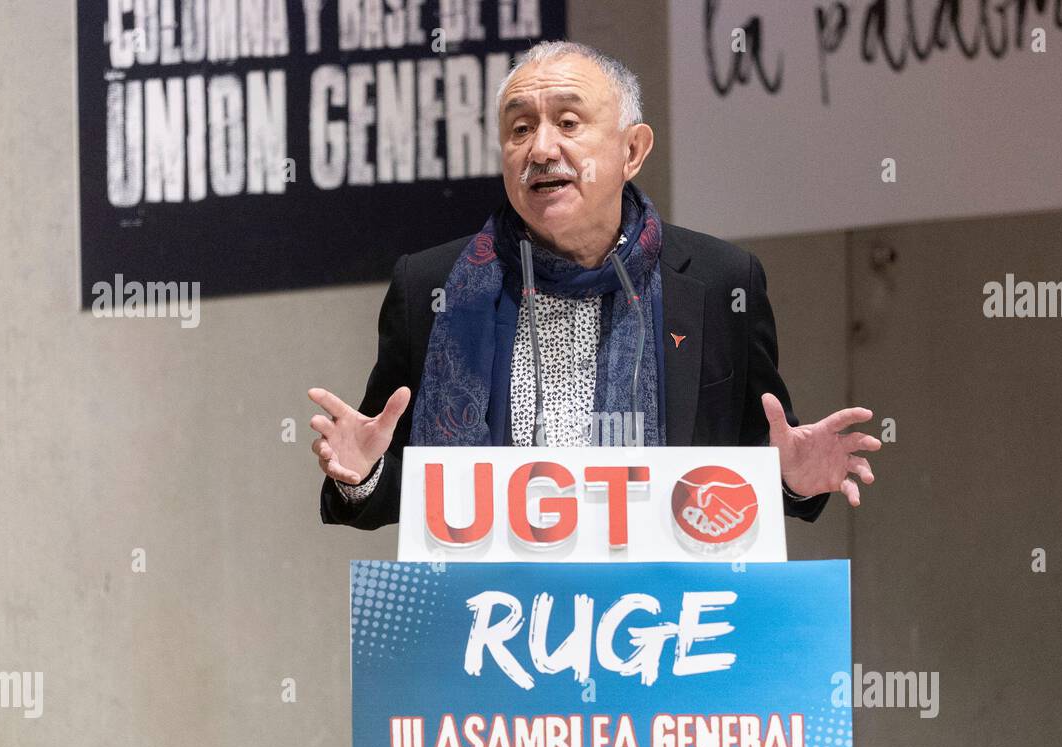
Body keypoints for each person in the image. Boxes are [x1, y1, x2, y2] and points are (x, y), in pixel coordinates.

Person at [309, 41, 878, 531]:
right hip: (488, 617)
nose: (540, 149)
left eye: (569, 123)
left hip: (660, 619)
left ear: (632, 150)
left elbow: (751, 472)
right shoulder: (431, 288)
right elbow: (395, 486)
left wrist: (793, 481)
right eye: (520, 127)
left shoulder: (719, 282)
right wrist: (362, 475)